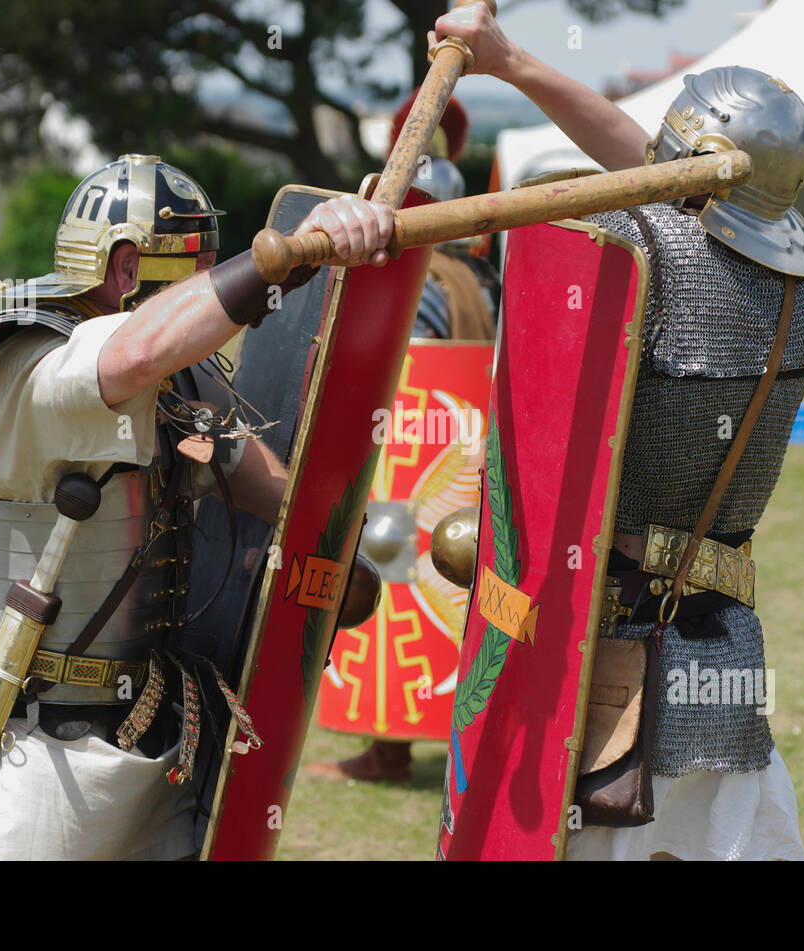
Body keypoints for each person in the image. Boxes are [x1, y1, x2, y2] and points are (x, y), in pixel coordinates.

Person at [0, 154, 395, 860]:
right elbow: (131, 353)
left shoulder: (168, 374)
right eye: (200, 272)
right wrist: (277, 262)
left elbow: (250, 473)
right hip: (19, 749)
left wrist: (334, 536)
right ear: (128, 269)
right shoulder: (23, 363)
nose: (209, 296)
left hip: (148, 733)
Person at [433, 6, 804, 860]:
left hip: (597, 645)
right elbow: (665, 186)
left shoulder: (632, 252)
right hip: (716, 636)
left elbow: (642, 200)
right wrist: (512, 64)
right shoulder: (797, 289)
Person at [307, 93, 498, 785]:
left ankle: (388, 749)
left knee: (393, 592)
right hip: (466, 464)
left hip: (407, 461)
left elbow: (408, 373)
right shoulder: (483, 277)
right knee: (455, 595)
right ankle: (448, 740)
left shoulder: (422, 281)